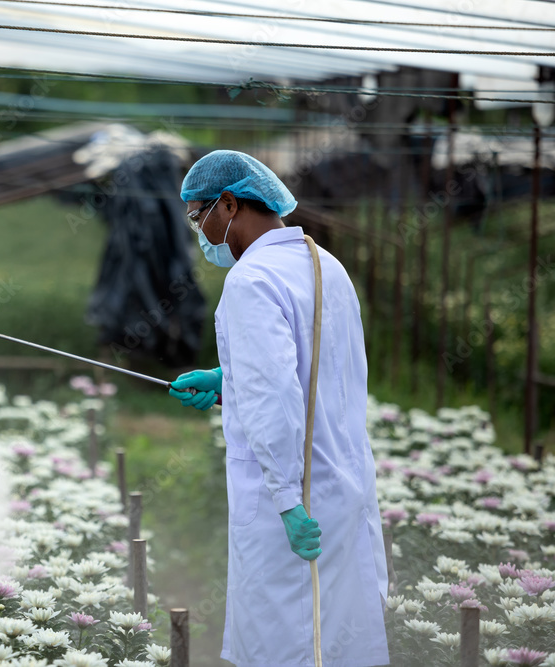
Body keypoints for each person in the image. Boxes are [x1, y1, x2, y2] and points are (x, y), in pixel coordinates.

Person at [169, 150, 389, 667]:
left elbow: (277, 399)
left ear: (228, 205)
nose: (200, 231)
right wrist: (231, 381)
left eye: (199, 215)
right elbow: (320, 372)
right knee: (338, 641)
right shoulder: (324, 265)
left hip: (290, 502)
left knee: (287, 646)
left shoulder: (251, 281)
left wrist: (288, 502)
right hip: (344, 487)